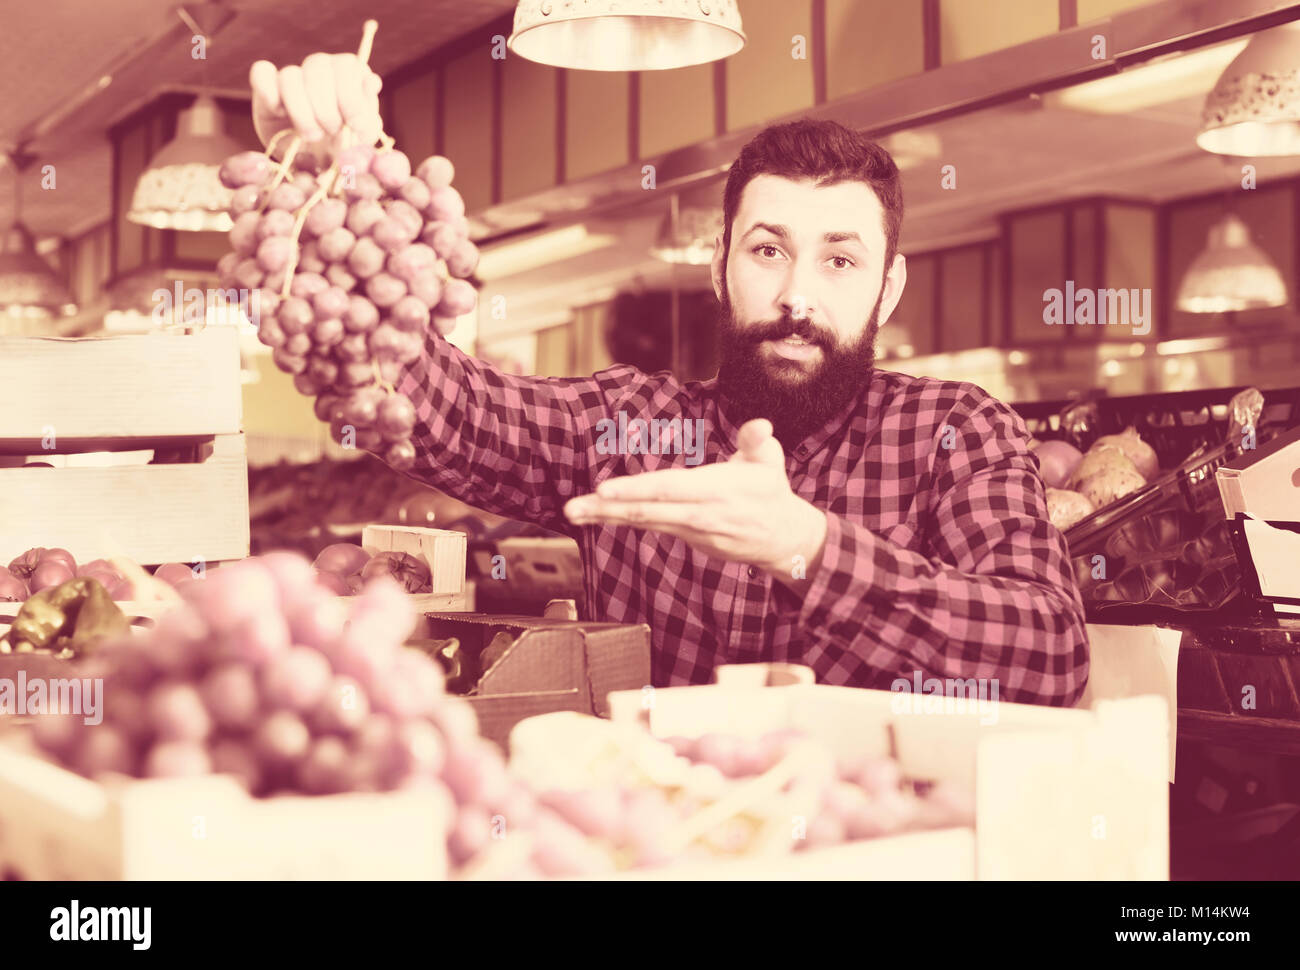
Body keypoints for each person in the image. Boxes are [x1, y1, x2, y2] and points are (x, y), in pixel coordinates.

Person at [249, 53, 1090, 704]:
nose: (798, 294)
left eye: (841, 258)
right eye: (769, 250)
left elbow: (1050, 654)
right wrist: (334, 181)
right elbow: (449, 408)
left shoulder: (955, 432)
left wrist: (807, 548)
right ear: (720, 267)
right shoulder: (630, 427)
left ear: (888, 286)